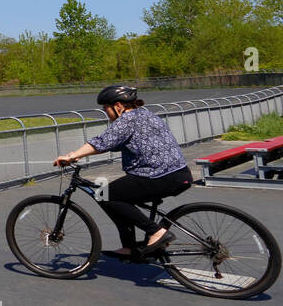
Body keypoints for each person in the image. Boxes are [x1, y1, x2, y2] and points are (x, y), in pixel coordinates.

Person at [53, 84, 193, 260]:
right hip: (178, 173)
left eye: (106, 108)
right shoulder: (144, 114)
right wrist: (82, 155)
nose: (106, 112)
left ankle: (156, 232)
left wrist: (72, 155)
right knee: (112, 196)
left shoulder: (127, 120)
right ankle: (129, 247)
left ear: (118, 105)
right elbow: (115, 143)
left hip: (158, 175)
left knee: (105, 194)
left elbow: (102, 141)